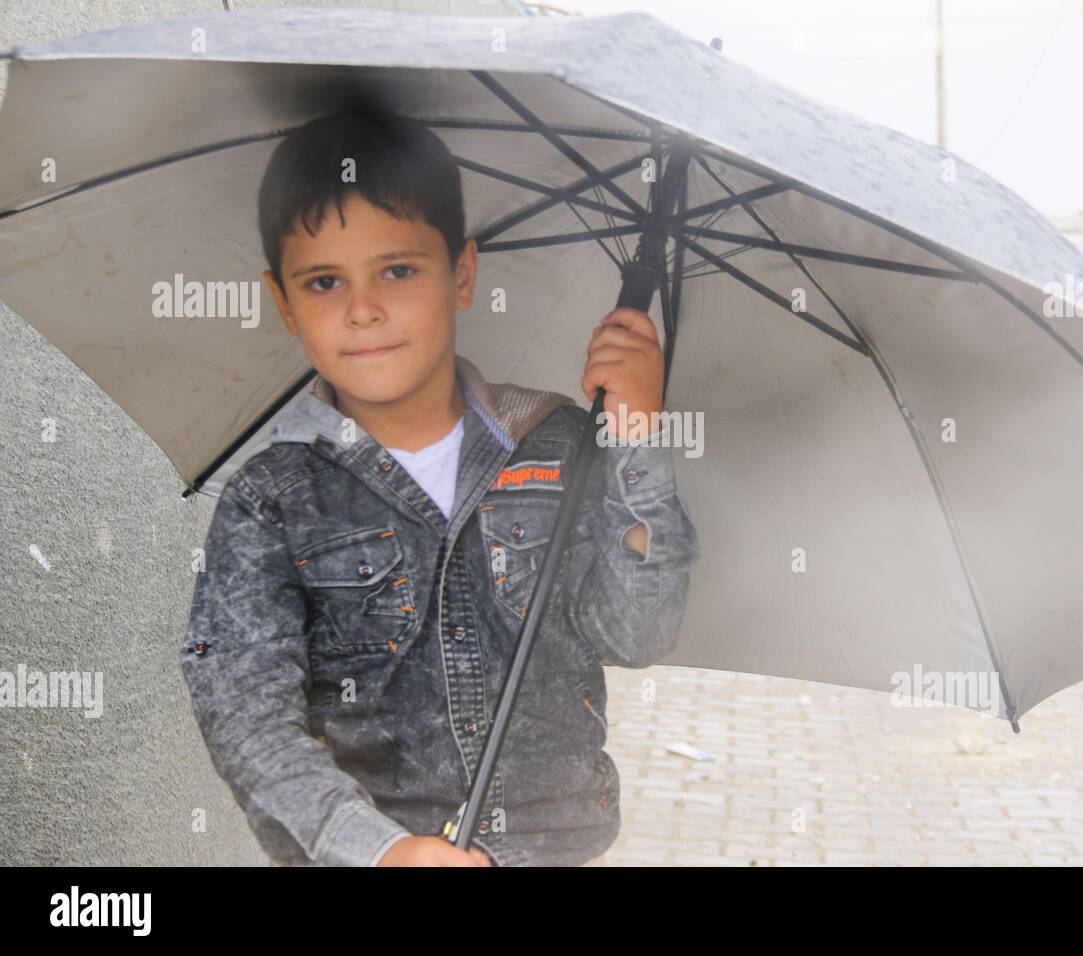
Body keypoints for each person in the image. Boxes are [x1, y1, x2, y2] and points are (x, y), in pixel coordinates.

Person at [180, 108, 700, 867]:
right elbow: (246, 714)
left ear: (461, 273)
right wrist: (379, 851)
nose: (364, 309)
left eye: (398, 270)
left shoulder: (558, 445)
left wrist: (637, 437)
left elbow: (637, 632)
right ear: (283, 301)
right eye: (325, 281)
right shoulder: (274, 498)